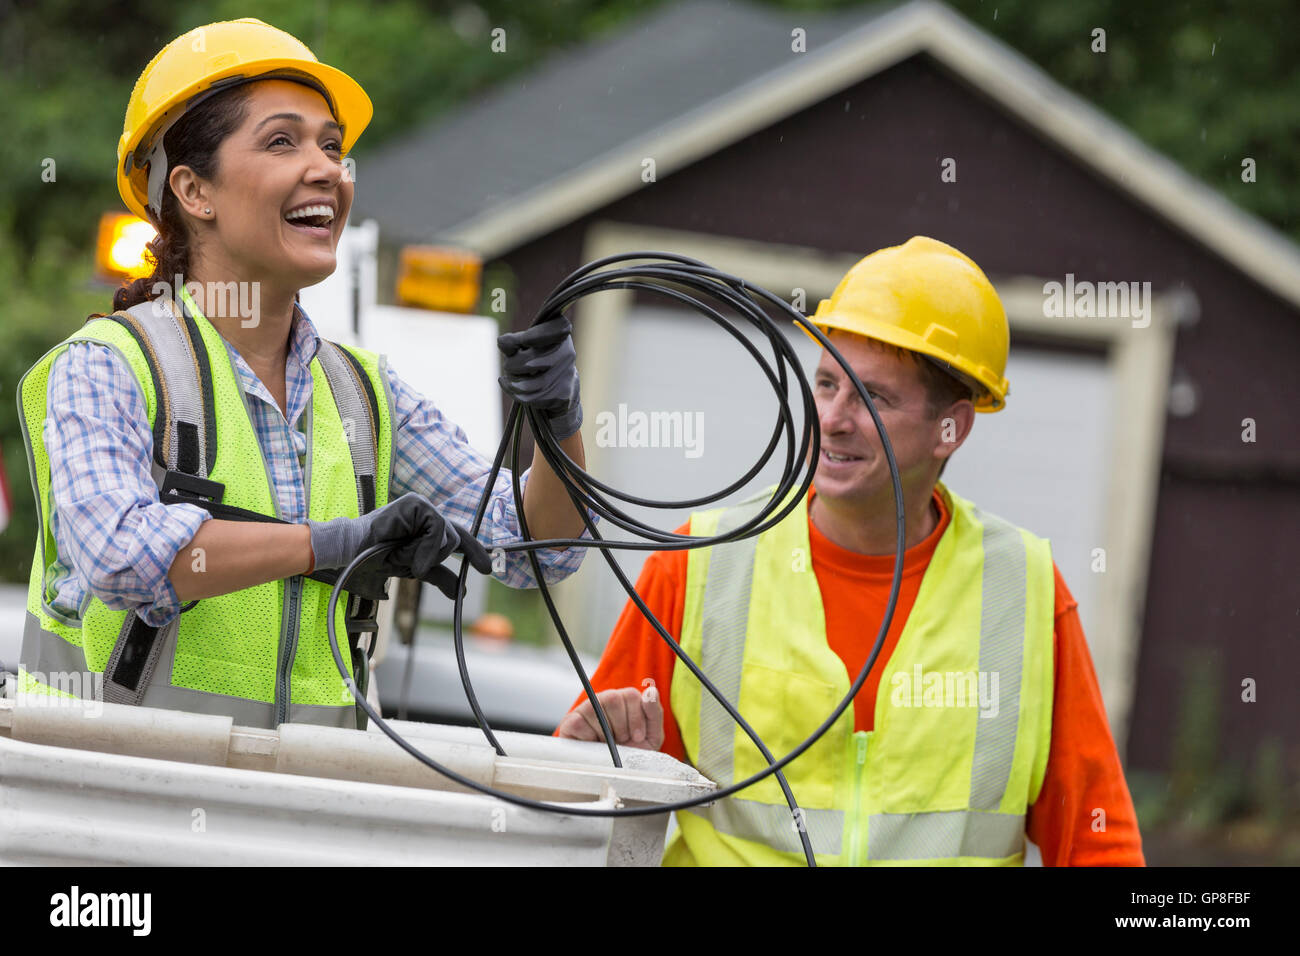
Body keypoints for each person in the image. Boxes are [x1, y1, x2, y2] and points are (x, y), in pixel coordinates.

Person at [17, 18, 592, 730]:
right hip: (117, 815)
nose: (327, 169)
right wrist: (330, 544)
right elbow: (122, 555)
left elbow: (538, 551)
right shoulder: (108, 367)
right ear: (195, 192)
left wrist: (560, 424)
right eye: (282, 141)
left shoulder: (366, 396)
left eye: (333, 146)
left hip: (300, 818)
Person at [557, 236, 1145, 866]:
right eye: (827, 383)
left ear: (952, 428)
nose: (833, 417)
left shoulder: (1023, 593)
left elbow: (1095, 840)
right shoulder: (698, 565)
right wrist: (577, 753)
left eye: (873, 398)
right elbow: (586, 801)